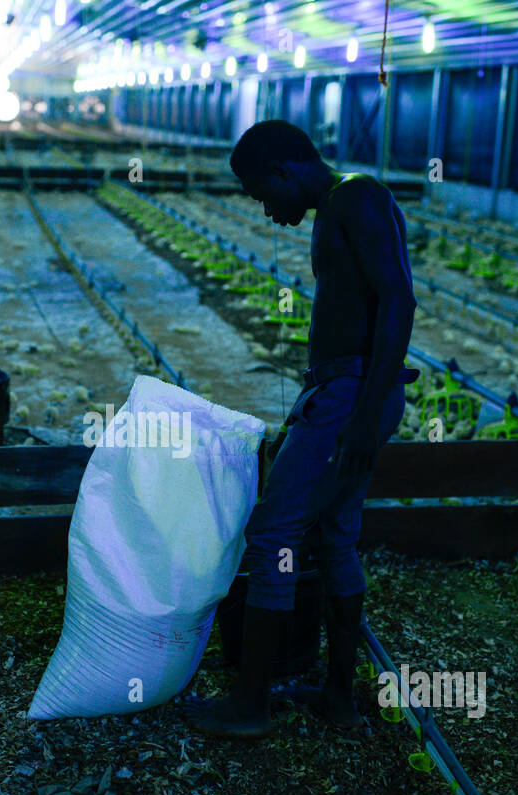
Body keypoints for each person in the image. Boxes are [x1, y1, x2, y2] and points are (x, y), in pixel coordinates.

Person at [188, 119, 418, 740]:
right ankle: (338, 697)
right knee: (335, 539)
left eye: (263, 194)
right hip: (349, 391)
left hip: (351, 397)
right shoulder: (344, 202)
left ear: (284, 171)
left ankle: (250, 705)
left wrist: (366, 412)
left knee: (273, 532)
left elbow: (400, 300)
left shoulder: (357, 197)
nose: (265, 211)